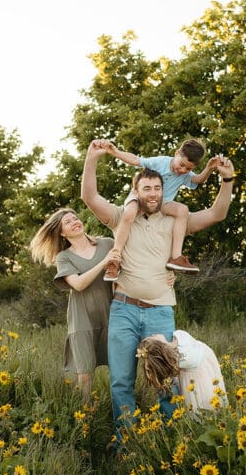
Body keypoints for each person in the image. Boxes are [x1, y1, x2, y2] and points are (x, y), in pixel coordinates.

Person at [80, 140, 236, 442]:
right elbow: (89, 197)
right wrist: (92, 158)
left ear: (165, 190)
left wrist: (226, 179)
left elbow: (217, 214)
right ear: (136, 192)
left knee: (167, 383)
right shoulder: (120, 217)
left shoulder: (176, 220)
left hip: (160, 313)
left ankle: (168, 445)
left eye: (157, 188)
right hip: (124, 309)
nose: (153, 194)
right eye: (146, 189)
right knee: (121, 383)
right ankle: (126, 445)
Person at [96, 137, 223, 281]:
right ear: (176, 154)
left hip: (162, 203)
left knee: (182, 210)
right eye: (181, 164)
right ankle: (115, 257)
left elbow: (198, 180)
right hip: (141, 197)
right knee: (129, 213)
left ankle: (176, 257)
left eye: (188, 168)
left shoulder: (185, 174)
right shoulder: (161, 162)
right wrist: (116, 152)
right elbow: (137, 160)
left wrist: (209, 168)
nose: (183, 170)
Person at [29, 208, 119, 403]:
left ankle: (120, 413)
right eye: (68, 222)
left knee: (119, 370)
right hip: (82, 320)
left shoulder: (107, 243)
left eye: (75, 218)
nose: (75, 222)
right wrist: (104, 263)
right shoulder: (64, 257)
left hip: (111, 315)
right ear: (62, 233)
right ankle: (86, 420)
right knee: (85, 374)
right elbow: (78, 284)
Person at [137, 331, 229, 414]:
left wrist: (166, 344)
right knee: (206, 408)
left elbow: (180, 337)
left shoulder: (174, 349)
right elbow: (182, 339)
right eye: (154, 338)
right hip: (201, 382)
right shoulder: (181, 357)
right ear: (162, 346)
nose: (153, 334)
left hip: (206, 368)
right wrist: (166, 344)